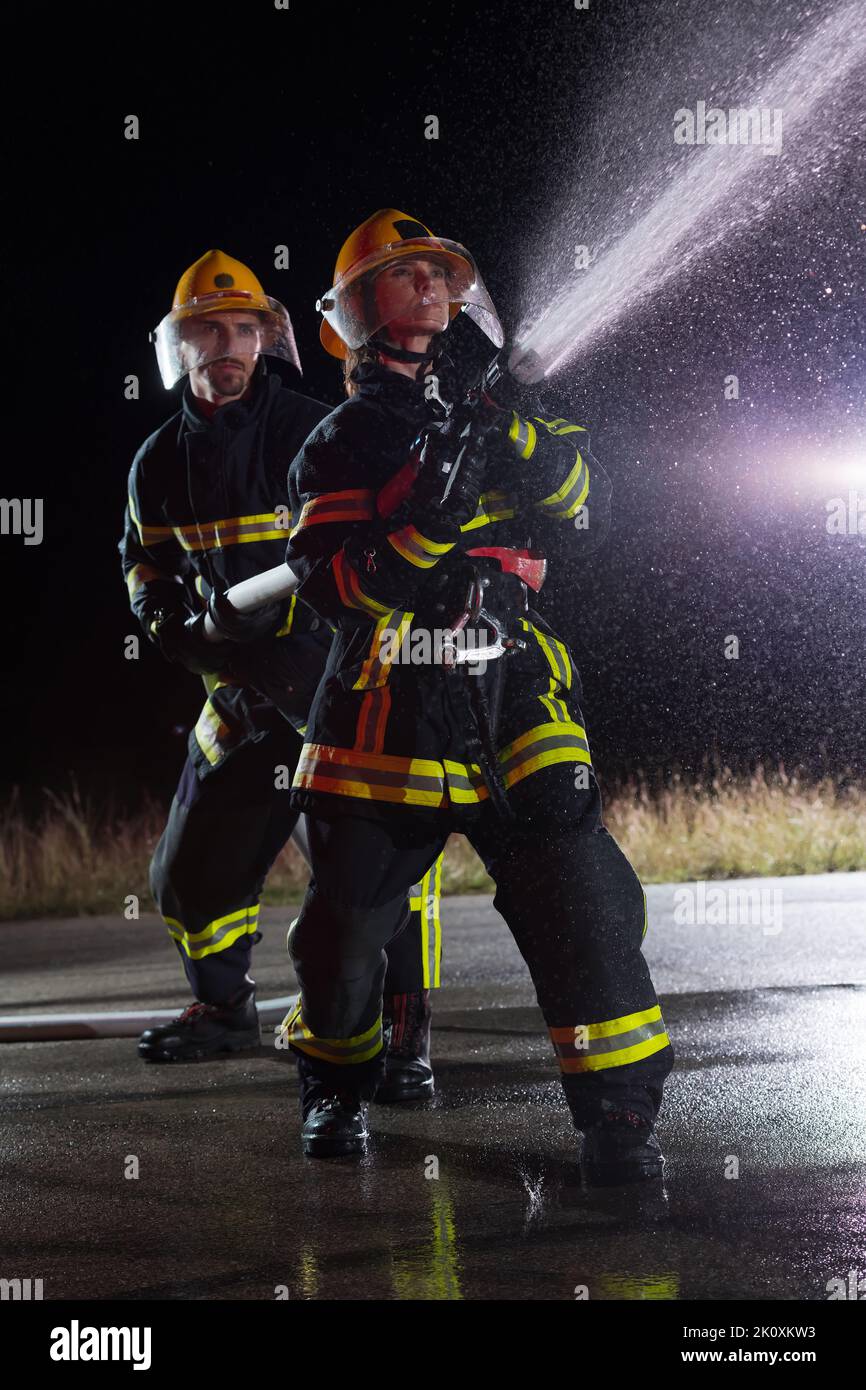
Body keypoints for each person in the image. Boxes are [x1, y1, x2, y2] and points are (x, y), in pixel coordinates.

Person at [278, 210, 673, 1177]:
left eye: (439, 272)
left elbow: (590, 507)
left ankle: (616, 1122)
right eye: (404, 272)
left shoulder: (505, 410)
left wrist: (522, 444)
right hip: (383, 700)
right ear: (359, 307)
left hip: (514, 689)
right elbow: (335, 588)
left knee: (582, 895)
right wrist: (423, 527)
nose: (430, 285)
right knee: (345, 929)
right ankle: (335, 1084)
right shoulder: (341, 440)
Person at [120, 249, 442, 1093]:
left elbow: (364, 553)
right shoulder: (157, 463)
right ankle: (225, 1011)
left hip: (332, 694)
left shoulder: (312, 426)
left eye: (245, 328)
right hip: (237, 695)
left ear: (269, 337)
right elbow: (144, 563)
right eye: (209, 331)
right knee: (188, 875)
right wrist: (164, 622)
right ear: (178, 345)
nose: (229, 345)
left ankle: (401, 1041)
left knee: (373, 877)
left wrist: (306, 645)